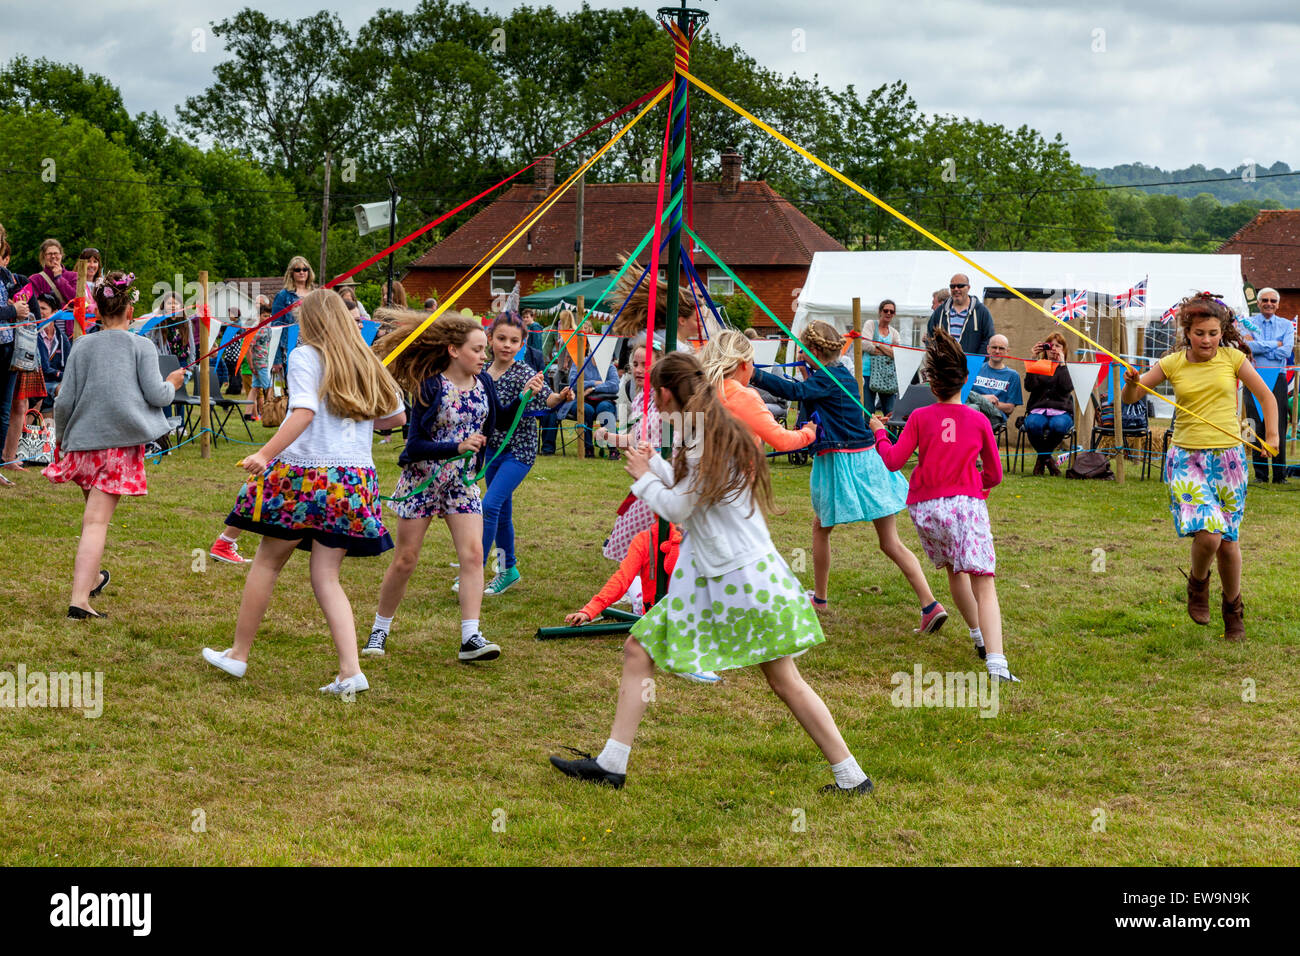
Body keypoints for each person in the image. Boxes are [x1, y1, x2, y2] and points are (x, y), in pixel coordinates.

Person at [548, 351, 873, 795]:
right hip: (741, 574)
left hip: (733, 579)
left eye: (654, 395)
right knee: (646, 651)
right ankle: (612, 762)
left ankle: (852, 775)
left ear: (665, 393)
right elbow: (696, 491)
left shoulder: (702, 437)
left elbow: (682, 507)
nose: (653, 404)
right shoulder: (709, 428)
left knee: (777, 678)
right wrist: (655, 464)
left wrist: (644, 478)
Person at [202, 289, 406, 694]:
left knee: (266, 564)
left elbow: (304, 413)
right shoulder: (364, 359)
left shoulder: (304, 355)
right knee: (327, 576)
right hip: (354, 481)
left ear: (310, 322)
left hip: (307, 477)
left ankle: (238, 655)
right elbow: (396, 417)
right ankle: (351, 671)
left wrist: (264, 453)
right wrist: (354, 414)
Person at [366, 311, 541, 662]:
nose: (483, 356)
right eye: (477, 350)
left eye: (482, 350)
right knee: (405, 560)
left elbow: (499, 418)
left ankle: (470, 637)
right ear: (453, 350)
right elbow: (413, 445)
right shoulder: (431, 386)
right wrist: (456, 447)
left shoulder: (484, 384)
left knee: (474, 555)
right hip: (423, 481)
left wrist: (525, 396)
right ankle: (379, 630)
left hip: (461, 484)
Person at [750, 321, 945, 629]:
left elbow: (796, 392)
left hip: (842, 462)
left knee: (820, 528)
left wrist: (754, 374)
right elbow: (812, 397)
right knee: (890, 542)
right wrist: (808, 375)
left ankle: (821, 599)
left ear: (813, 351)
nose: (800, 355)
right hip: (869, 461)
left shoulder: (826, 377)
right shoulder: (840, 375)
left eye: (802, 351)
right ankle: (930, 605)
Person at [1125, 293, 1277, 640]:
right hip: (1186, 458)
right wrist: (1133, 383)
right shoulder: (1172, 363)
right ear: (1187, 331)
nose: (1206, 340)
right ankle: (1197, 584)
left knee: (1228, 542)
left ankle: (1233, 609)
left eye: (1212, 333)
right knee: (1209, 534)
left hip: (1229, 460)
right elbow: (1131, 398)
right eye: (1199, 333)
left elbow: (1266, 397)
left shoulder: (1233, 358)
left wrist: (1272, 437)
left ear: (1222, 331)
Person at [871, 328, 1018, 681]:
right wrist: (974, 490)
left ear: (930, 382)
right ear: (966, 379)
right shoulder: (979, 419)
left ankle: (978, 636)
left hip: (928, 510)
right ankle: (996, 663)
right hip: (964, 506)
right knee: (984, 582)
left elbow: (893, 461)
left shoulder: (920, 417)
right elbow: (995, 475)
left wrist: (878, 430)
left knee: (955, 570)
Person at [43, 272, 185, 618]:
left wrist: (61, 439)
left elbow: (63, 402)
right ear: (130, 309)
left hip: (81, 445)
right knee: (96, 522)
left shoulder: (81, 346)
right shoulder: (142, 346)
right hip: (117, 447)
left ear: (99, 309)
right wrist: (172, 383)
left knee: (92, 516)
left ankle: (91, 579)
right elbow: (156, 394)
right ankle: (79, 601)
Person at [470, 311, 571, 602]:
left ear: (523, 343)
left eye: (514, 340)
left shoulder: (525, 372)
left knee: (488, 506)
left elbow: (547, 399)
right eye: (501, 338)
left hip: (519, 452)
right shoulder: (484, 370)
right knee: (501, 512)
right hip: (492, 451)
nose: (507, 345)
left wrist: (560, 396)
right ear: (489, 339)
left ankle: (472, 572)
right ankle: (508, 570)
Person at [699, 328, 816, 453]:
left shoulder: (699, 392)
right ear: (744, 364)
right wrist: (809, 432)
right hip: (738, 469)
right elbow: (782, 440)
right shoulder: (742, 396)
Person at [566, 522, 682, 623]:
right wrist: (589, 610)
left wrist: (677, 539)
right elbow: (622, 577)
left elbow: (677, 572)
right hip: (654, 613)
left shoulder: (694, 538)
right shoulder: (645, 539)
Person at [1238, 288, 1293, 484]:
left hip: (1277, 378)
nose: (1268, 303)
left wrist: (1261, 345)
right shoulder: (1248, 323)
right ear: (1258, 303)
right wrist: (1274, 344)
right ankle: (1260, 475)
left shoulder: (1287, 325)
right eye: (1264, 300)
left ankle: (1279, 475)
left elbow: (1286, 350)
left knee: (1278, 424)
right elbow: (1247, 347)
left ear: (1277, 304)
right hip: (1252, 375)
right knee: (1253, 423)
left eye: (1272, 300)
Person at [2, 293, 52, 469]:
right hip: (5, 349)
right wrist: (11, 311)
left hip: (24, 349)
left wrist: (22, 311)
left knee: (20, 405)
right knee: (5, 406)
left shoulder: (20, 282)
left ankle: (9, 457)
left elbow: (36, 318)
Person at [1022, 332, 1074, 476]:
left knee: (1058, 426)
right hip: (1038, 410)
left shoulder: (1066, 368)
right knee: (1033, 424)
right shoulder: (1039, 365)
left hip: (1061, 411)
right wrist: (1033, 359)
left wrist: (1062, 363)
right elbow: (1029, 387)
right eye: (1051, 345)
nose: (1054, 349)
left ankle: (1041, 460)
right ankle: (1048, 461)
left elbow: (1067, 387)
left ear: (1064, 349)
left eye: (1058, 346)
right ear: (1044, 348)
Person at [17, 240, 78, 336]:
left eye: (56, 253)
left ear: (61, 255)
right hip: (43, 330)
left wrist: (59, 279)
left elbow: (76, 301)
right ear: (43, 257)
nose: (53, 256)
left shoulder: (73, 276)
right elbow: (33, 306)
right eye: (49, 254)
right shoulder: (35, 279)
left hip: (69, 332)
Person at [925, 273, 993, 356]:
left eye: (960, 286)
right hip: (943, 366)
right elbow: (930, 336)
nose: (956, 289)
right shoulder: (940, 312)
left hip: (970, 366)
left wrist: (976, 362)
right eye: (952, 286)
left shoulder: (981, 311)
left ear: (968, 288)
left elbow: (988, 339)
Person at [965, 334, 1022, 427]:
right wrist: (984, 398)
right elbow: (964, 395)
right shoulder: (975, 369)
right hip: (972, 410)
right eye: (994, 347)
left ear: (1007, 351)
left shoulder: (1013, 375)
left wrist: (987, 403)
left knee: (972, 408)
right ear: (988, 349)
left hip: (995, 416)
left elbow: (1010, 408)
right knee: (972, 407)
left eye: (1001, 348)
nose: (997, 351)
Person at [270, 256, 315, 374]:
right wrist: (277, 359)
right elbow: (275, 328)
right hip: (292, 347)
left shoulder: (316, 294)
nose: (302, 272)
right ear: (291, 273)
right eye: (297, 270)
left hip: (314, 344)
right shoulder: (283, 296)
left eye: (305, 269)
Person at [864, 299, 902, 415]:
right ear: (880, 311)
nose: (889, 313)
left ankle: (891, 433)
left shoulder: (894, 332)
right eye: (886, 310)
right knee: (868, 411)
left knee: (890, 411)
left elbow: (897, 353)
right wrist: (888, 350)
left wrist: (877, 344)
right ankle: (869, 433)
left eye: (892, 311)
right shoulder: (870, 324)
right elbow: (864, 344)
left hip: (887, 376)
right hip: (868, 373)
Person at [38, 296, 71, 417]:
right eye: (37, 307)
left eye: (43, 308)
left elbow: (69, 366)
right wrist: (62, 375)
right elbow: (44, 368)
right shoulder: (33, 334)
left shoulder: (62, 338)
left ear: (55, 313)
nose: (39, 311)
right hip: (38, 382)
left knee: (65, 390)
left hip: (55, 383)